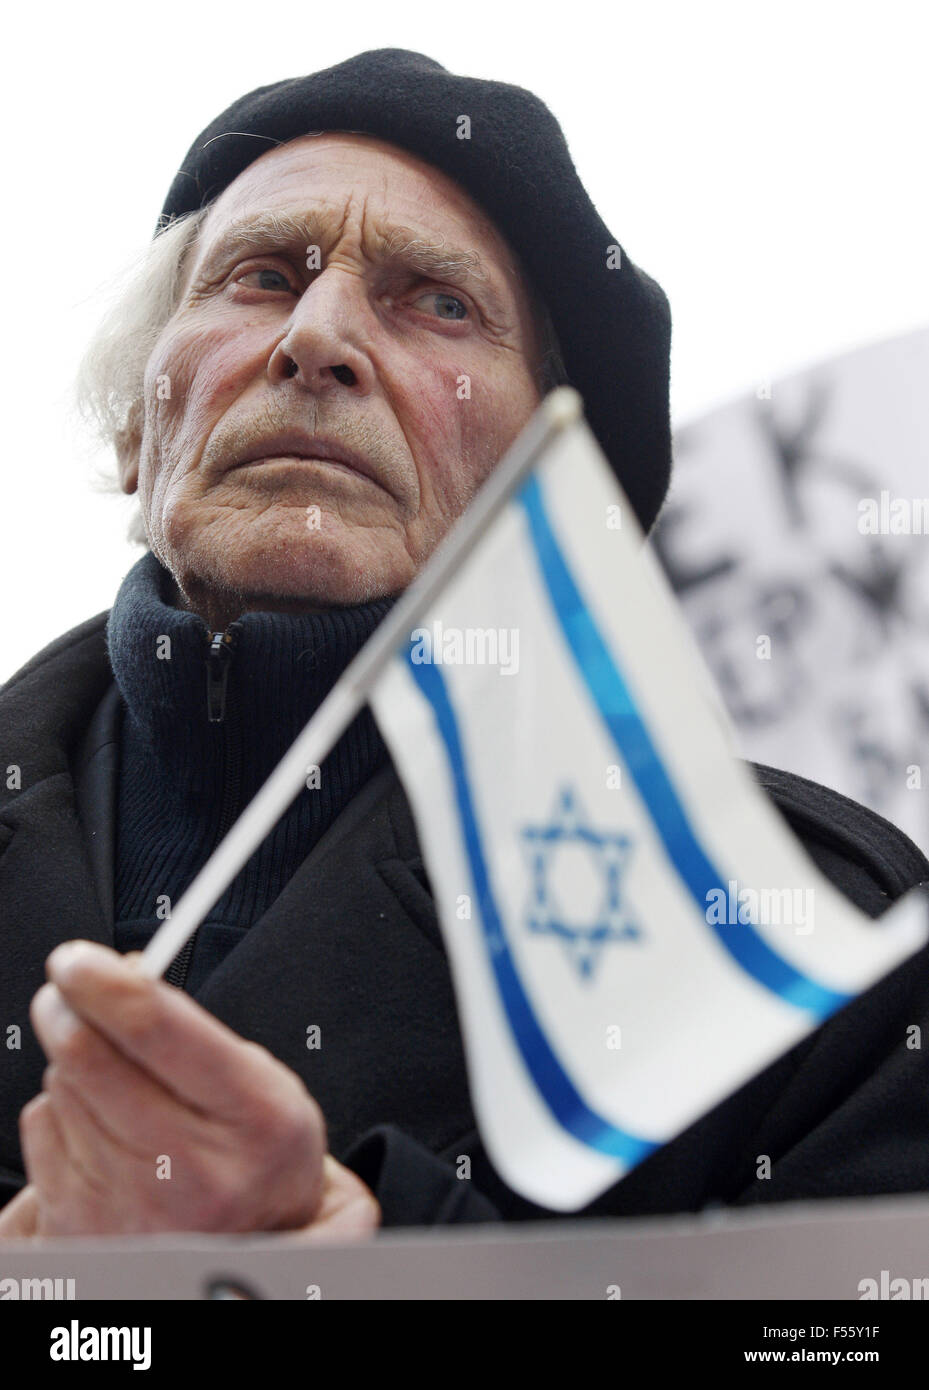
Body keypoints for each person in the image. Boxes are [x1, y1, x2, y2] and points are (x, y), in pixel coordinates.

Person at [1, 49, 927, 1241]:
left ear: (546, 486)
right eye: (262, 276)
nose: (317, 337)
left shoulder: (798, 943)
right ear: (139, 425)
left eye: (437, 303)